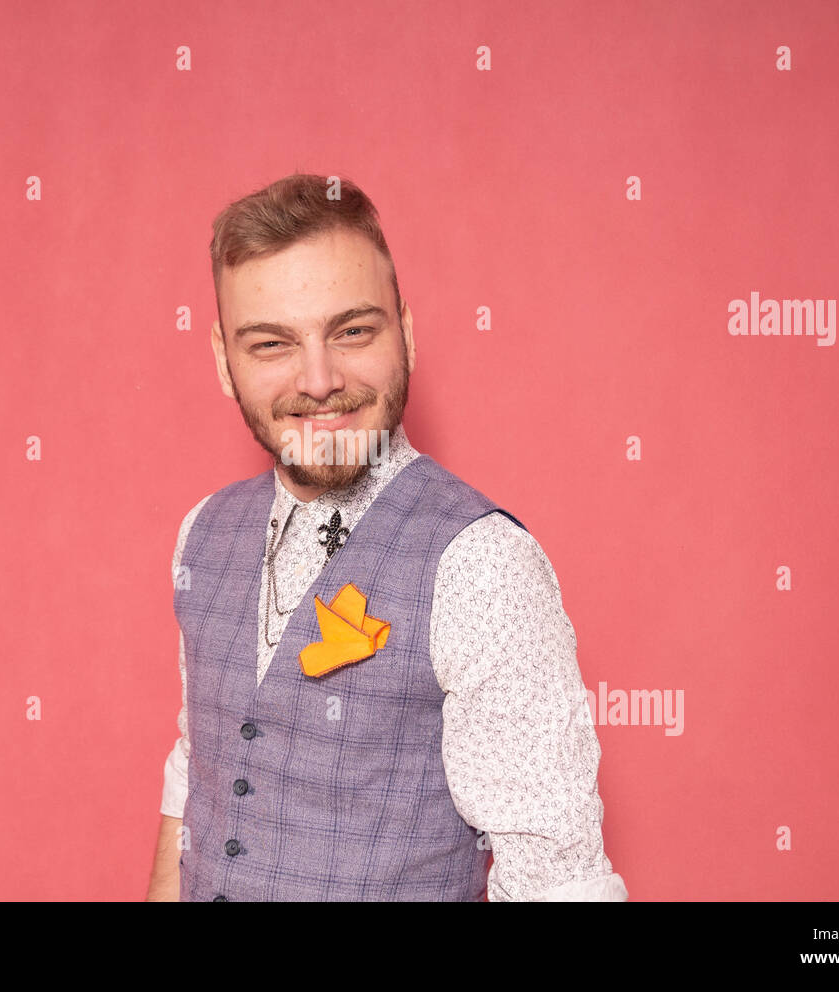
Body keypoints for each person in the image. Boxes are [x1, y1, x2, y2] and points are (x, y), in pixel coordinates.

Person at [145, 173, 627, 901]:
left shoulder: (481, 564)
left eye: (352, 331)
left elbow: (558, 885)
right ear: (223, 360)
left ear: (405, 331)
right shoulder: (201, 534)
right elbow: (198, 764)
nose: (319, 379)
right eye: (272, 343)